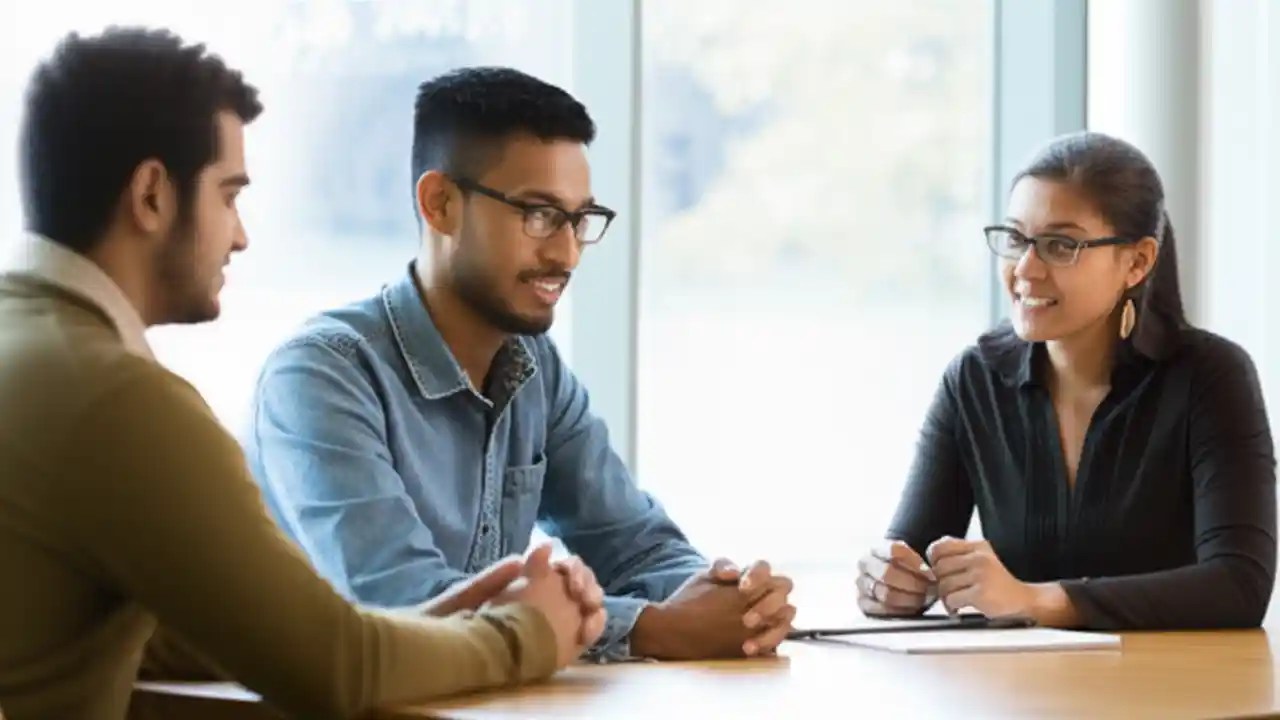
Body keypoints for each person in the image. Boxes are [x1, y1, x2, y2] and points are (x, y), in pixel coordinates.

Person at [0, 29, 606, 720]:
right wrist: (529, 633)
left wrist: (436, 627)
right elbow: (333, 669)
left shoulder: (32, 353)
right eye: (229, 196)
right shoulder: (118, 400)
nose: (241, 235)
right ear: (151, 194)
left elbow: (177, 637)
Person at [243, 66, 796, 662]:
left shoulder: (533, 366)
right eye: (538, 215)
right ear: (440, 204)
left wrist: (732, 598)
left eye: (580, 218)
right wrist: (649, 628)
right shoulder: (320, 377)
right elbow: (403, 603)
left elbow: (637, 547)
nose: (566, 252)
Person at [857, 131, 1276, 629]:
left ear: (1137, 261)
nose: (1026, 270)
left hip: (1171, 697)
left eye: (1060, 245)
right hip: (1024, 700)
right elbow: (912, 556)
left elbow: (1238, 585)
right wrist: (890, 582)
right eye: (1016, 239)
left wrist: (1038, 600)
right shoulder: (973, 381)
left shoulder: (1211, 377)